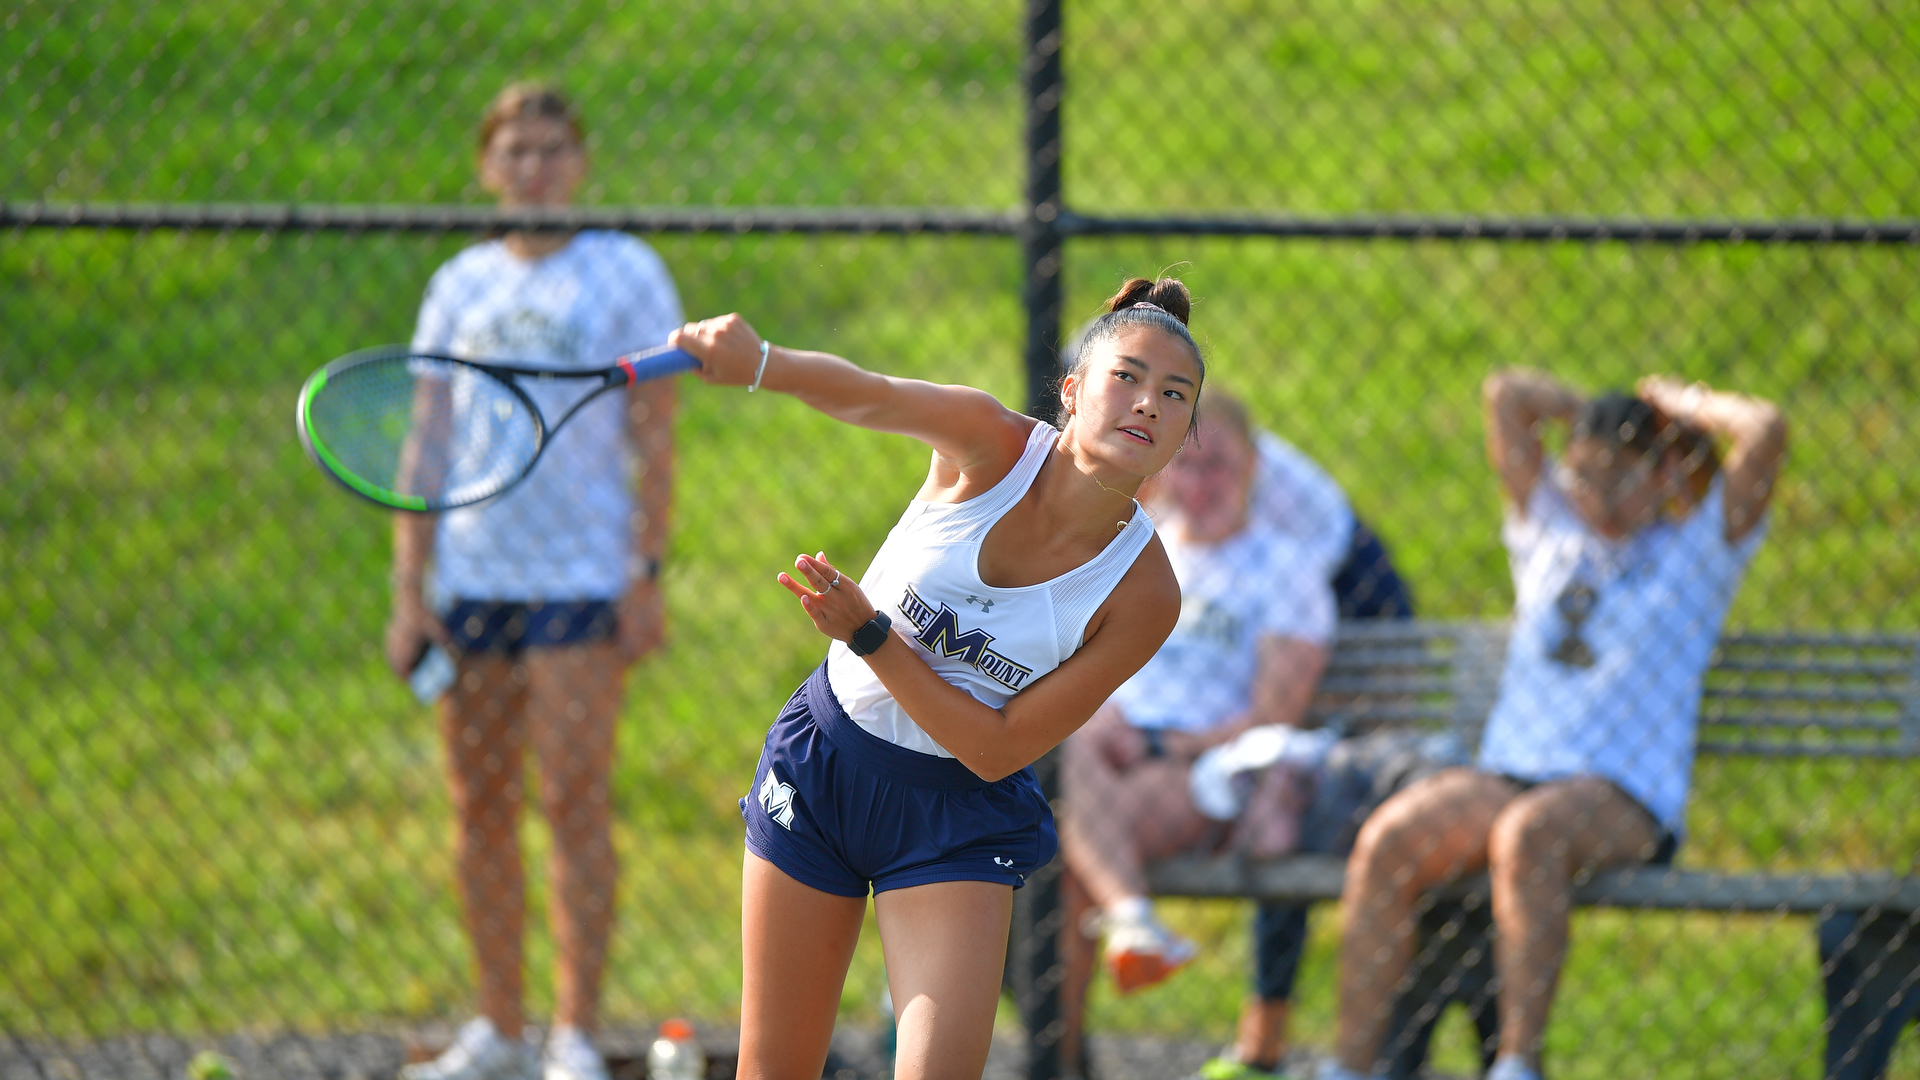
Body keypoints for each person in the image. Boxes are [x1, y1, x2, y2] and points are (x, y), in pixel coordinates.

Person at [668, 277, 1203, 1080]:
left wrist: (874, 637)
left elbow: (996, 749)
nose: (1147, 404)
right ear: (1072, 389)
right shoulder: (989, 444)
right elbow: (872, 396)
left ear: (1188, 429)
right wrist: (761, 363)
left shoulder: (1146, 591)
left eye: (1174, 393)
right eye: (1126, 375)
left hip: (954, 815)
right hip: (825, 766)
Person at [1320, 370, 1787, 1080]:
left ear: (1663, 472)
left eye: (1620, 478)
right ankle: (1348, 1069)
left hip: (1624, 795)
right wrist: (1595, 414)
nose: (1598, 498)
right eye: (1585, 475)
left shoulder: (1697, 553)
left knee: (1529, 834)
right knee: (1388, 839)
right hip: (1511, 774)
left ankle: (1516, 1064)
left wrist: (1672, 407)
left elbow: (1765, 430)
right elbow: (1505, 394)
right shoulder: (1551, 532)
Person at [385, 84, 681, 1080]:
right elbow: (425, 443)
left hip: (581, 580)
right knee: (478, 808)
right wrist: (408, 589)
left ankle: (574, 1038)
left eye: (554, 149)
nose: (534, 168)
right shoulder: (458, 285)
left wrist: (645, 574)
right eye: (515, 150)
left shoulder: (624, 275)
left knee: (573, 800)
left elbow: (657, 439)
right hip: (471, 580)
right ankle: (500, 1031)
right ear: (487, 165)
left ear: (580, 163)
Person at [1054, 393, 1434, 1080]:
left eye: (1220, 468)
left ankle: (1060, 1050)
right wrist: (1106, 717)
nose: (1200, 487)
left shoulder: (1285, 570)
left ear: (1257, 467)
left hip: (1210, 773)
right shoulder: (1139, 543)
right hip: (1114, 758)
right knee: (1070, 778)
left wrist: (1166, 747)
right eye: (1188, 468)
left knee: (1060, 852)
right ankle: (1113, 956)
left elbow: (1273, 718)